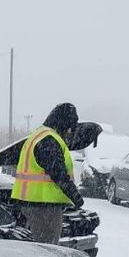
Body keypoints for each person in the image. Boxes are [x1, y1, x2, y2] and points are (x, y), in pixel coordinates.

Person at [11, 103, 85, 245]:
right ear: (63, 123)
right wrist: (75, 195)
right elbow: (58, 173)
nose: (69, 132)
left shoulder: (39, 135)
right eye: (69, 127)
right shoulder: (49, 140)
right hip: (43, 206)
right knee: (47, 251)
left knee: (40, 248)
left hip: (33, 203)